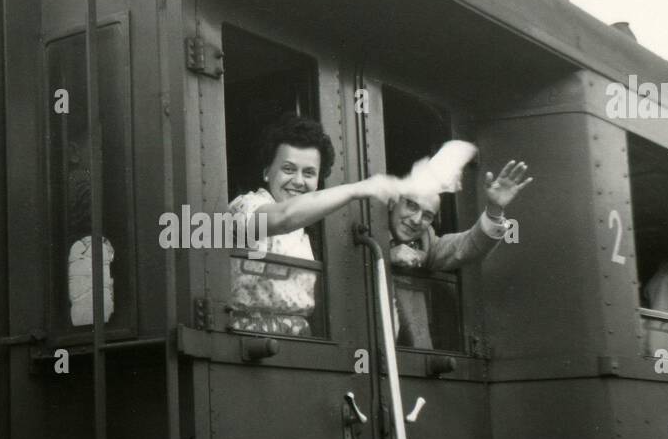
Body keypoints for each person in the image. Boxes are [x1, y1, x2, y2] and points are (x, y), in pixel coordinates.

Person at [226, 112, 400, 336]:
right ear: (267, 172)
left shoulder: (309, 228)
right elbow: (283, 217)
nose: (298, 181)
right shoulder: (245, 206)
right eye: (288, 169)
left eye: (309, 173)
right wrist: (357, 189)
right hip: (250, 343)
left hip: (300, 341)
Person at [388, 159, 533, 348]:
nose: (416, 220)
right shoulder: (365, 227)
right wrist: (387, 255)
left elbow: (467, 245)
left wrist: (495, 210)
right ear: (392, 202)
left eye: (427, 216)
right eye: (411, 205)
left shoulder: (427, 243)